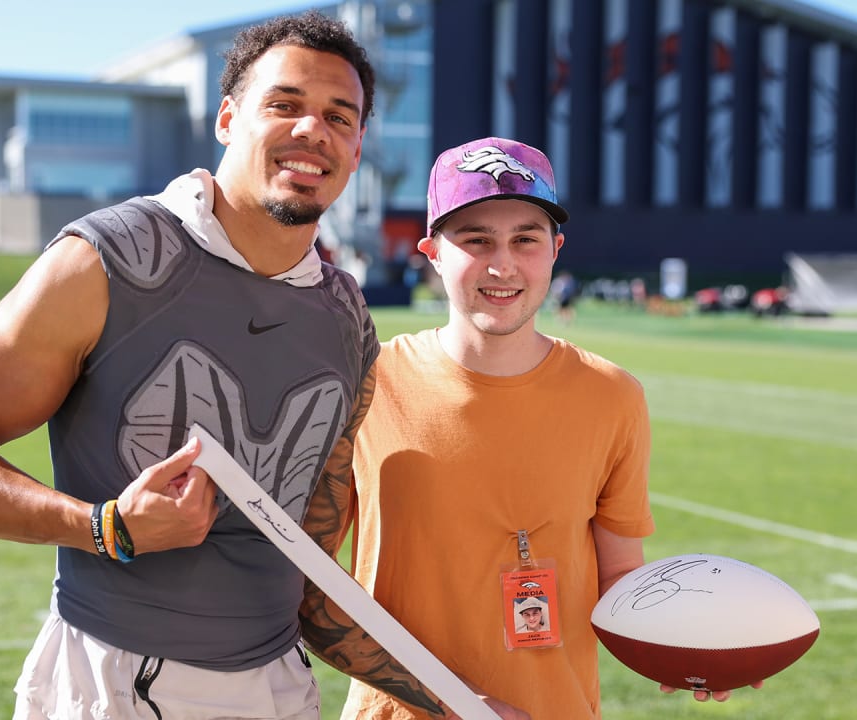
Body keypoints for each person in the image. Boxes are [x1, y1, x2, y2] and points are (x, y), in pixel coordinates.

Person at [0, 12, 384, 720]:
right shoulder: (108, 259)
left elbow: (308, 568)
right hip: (117, 680)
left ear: (359, 146)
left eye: (340, 116)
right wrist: (106, 525)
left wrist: (452, 696)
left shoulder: (344, 315)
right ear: (226, 118)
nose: (314, 131)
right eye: (285, 105)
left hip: (280, 684)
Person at [305, 137, 761, 720]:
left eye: (526, 238)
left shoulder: (613, 396)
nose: (503, 264)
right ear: (432, 252)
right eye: (476, 239)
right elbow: (314, 589)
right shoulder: (365, 383)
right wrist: (458, 703)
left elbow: (620, 574)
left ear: (555, 250)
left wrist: (684, 643)